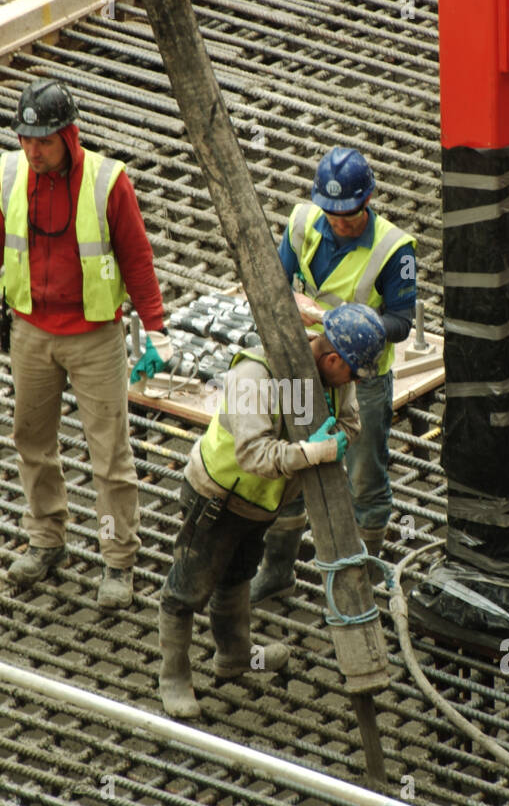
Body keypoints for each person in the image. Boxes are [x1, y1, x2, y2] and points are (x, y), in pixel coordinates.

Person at [0, 77, 171, 608]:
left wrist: (155, 327)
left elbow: (137, 258)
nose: (32, 149)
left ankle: (118, 561)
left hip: (94, 336)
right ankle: (46, 539)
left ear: (68, 136)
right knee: (32, 441)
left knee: (109, 454)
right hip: (30, 331)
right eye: (25, 138)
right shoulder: (8, 176)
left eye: (42, 140)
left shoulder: (107, 182)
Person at [158, 303, 385, 718]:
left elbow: (351, 422)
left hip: (260, 504)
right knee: (187, 590)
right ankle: (173, 677)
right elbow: (253, 454)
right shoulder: (257, 376)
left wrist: (335, 435)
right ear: (332, 359)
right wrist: (313, 451)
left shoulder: (337, 375)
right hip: (218, 496)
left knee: (236, 578)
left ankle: (235, 657)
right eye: (351, 373)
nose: (353, 382)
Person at [251, 146, 416, 603]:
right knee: (296, 465)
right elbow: (275, 283)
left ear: (368, 202)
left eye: (349, 213)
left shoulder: (392, 249)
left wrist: (344, 324)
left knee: (364, 475)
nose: (339, 221)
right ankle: (278, 571)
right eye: (332, 211)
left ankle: (360, 583)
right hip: (309, 372)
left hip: (362, 379)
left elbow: (402, 321)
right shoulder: (303, 222)